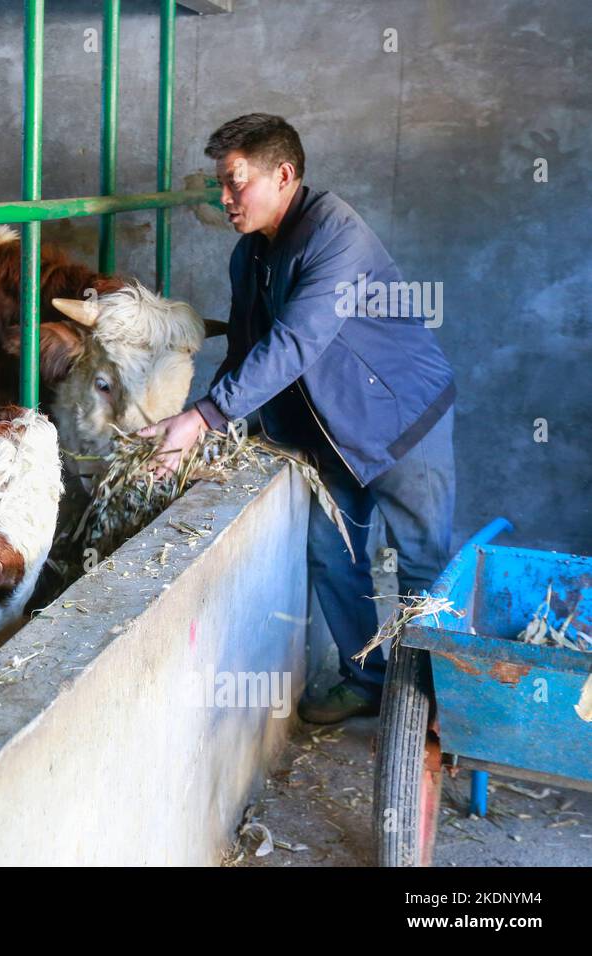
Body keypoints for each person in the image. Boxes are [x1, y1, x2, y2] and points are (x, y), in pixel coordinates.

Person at [142, 113, 456, 724]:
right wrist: (209, 428)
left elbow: (293, 344)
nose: (226, 199)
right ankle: (365, 679)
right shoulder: (248, 256)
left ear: (284, 175)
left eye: (236, 182)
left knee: (420, 561)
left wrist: (204, 417)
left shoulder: (337, 235)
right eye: (221, 185)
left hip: (403, 423)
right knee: (332, 552)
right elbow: (244, 350)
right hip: (331, 435)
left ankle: (434, 703)